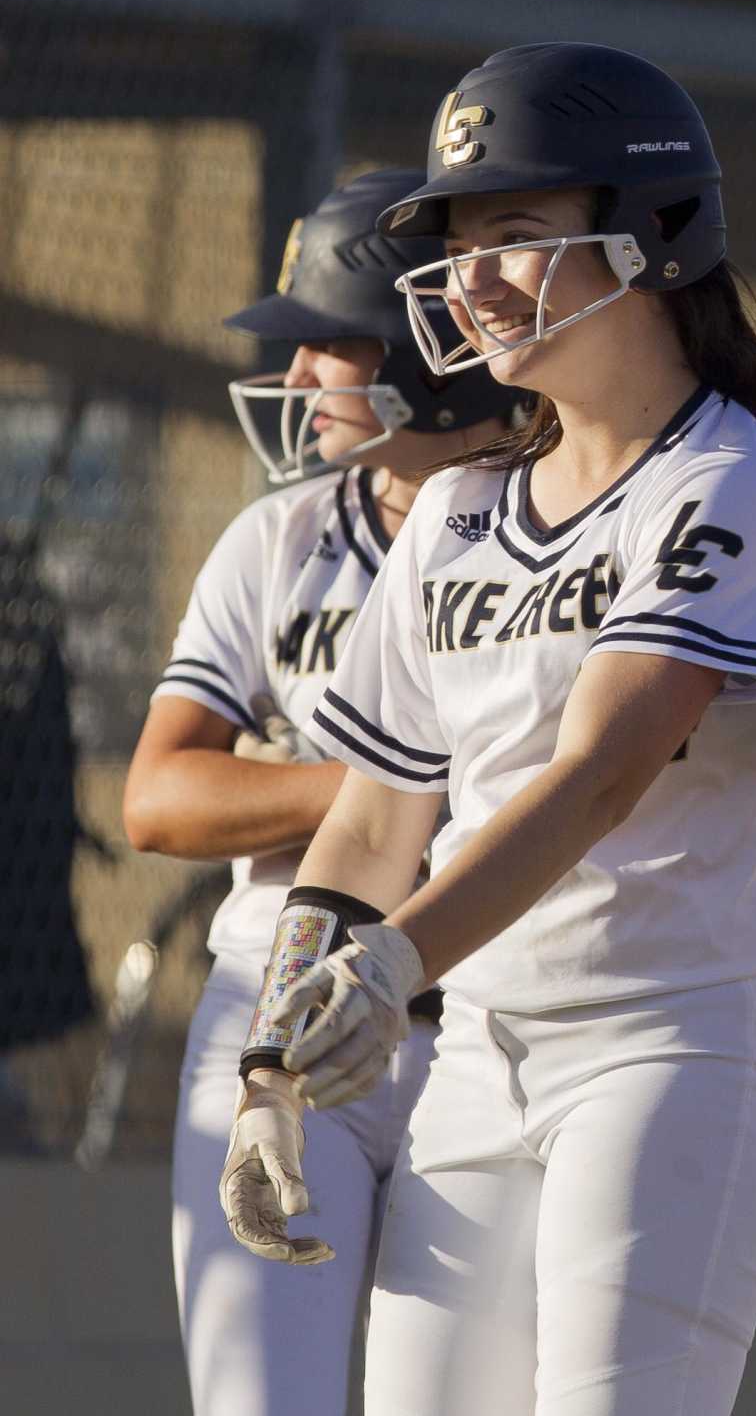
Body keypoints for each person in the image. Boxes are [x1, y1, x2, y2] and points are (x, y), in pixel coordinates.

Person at [216, 43, 756, 1416]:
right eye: (458, 241)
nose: (470, 274)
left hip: (676, 1042)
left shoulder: (730, 474)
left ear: (656, 231)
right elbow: (373, 821)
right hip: (482, 1051)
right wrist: (270, 1060)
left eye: (513, 231)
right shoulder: (457, 509)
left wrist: (394, 961)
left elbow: (604, 771)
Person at [123, 167, 518, 1415]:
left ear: (423, 347)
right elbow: (161, 798)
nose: (296, 380)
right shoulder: (280, 539)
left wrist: (323, 781)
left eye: (327, 346)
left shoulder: (543, 526)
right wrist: (374, 782)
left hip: (490, 1026)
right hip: (278, 1010)